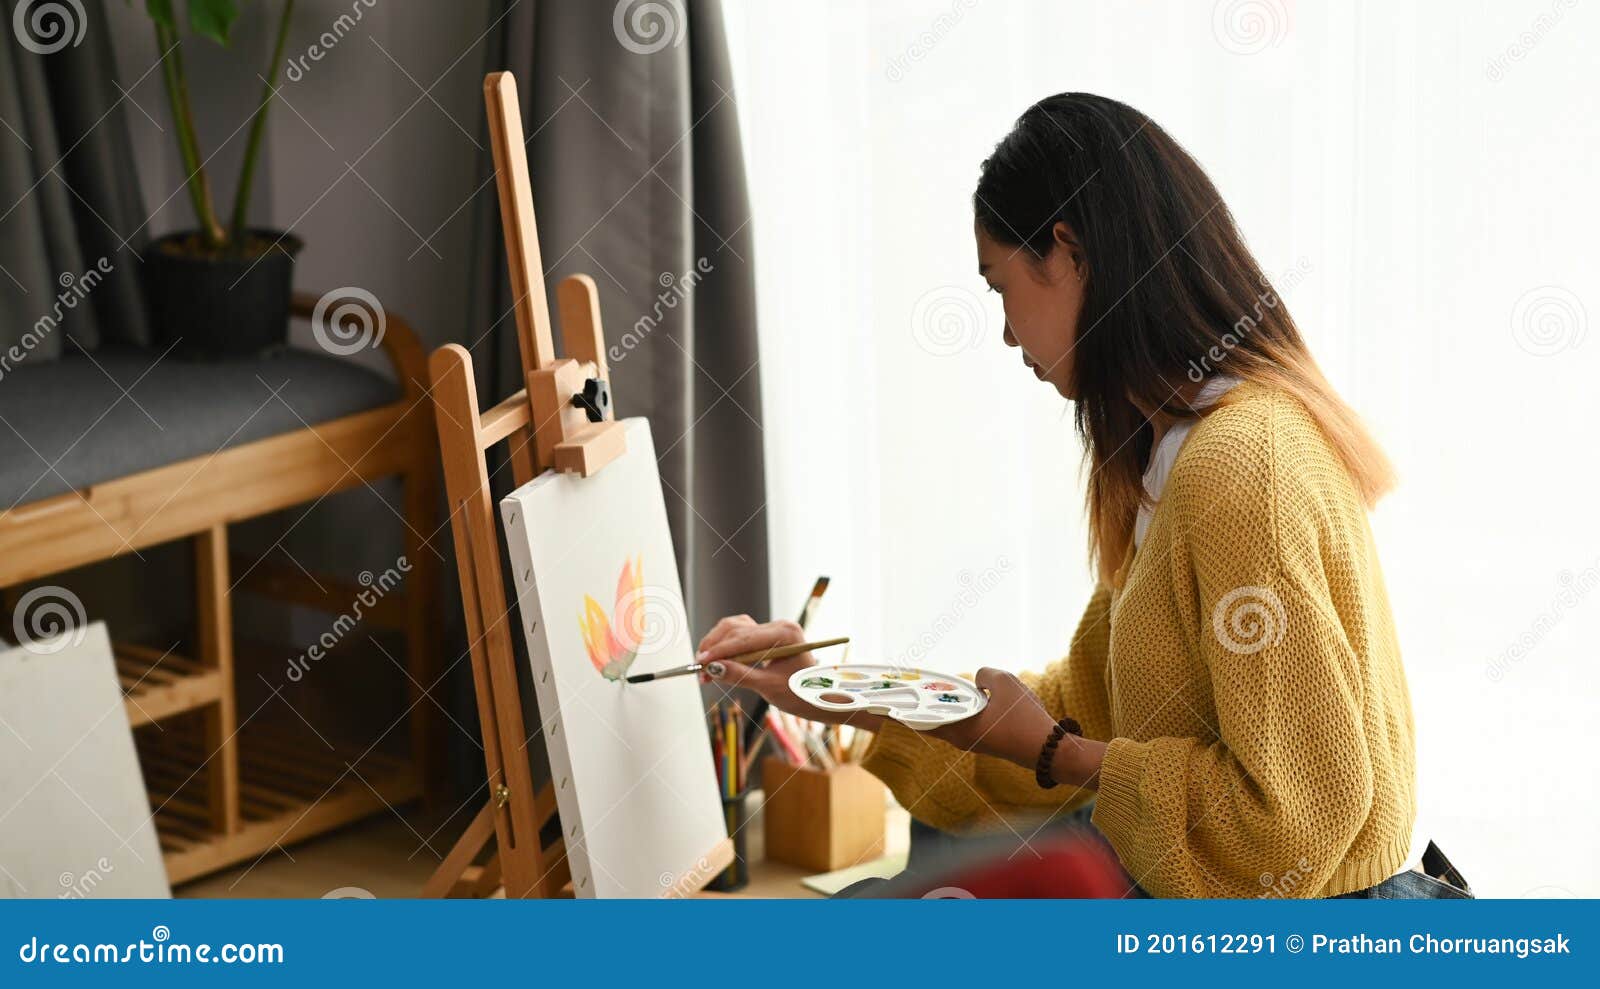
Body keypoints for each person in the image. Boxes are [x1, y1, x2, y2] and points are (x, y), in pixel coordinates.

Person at [699, 93, 1470, 899]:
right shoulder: (1176, 454)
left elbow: (1301, 814)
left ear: (1069, 252)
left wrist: (1059, 756)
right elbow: (1084, 702)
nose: (1006, 333)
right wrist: (839, 691)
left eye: (999, 286)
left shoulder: (1242, 470)